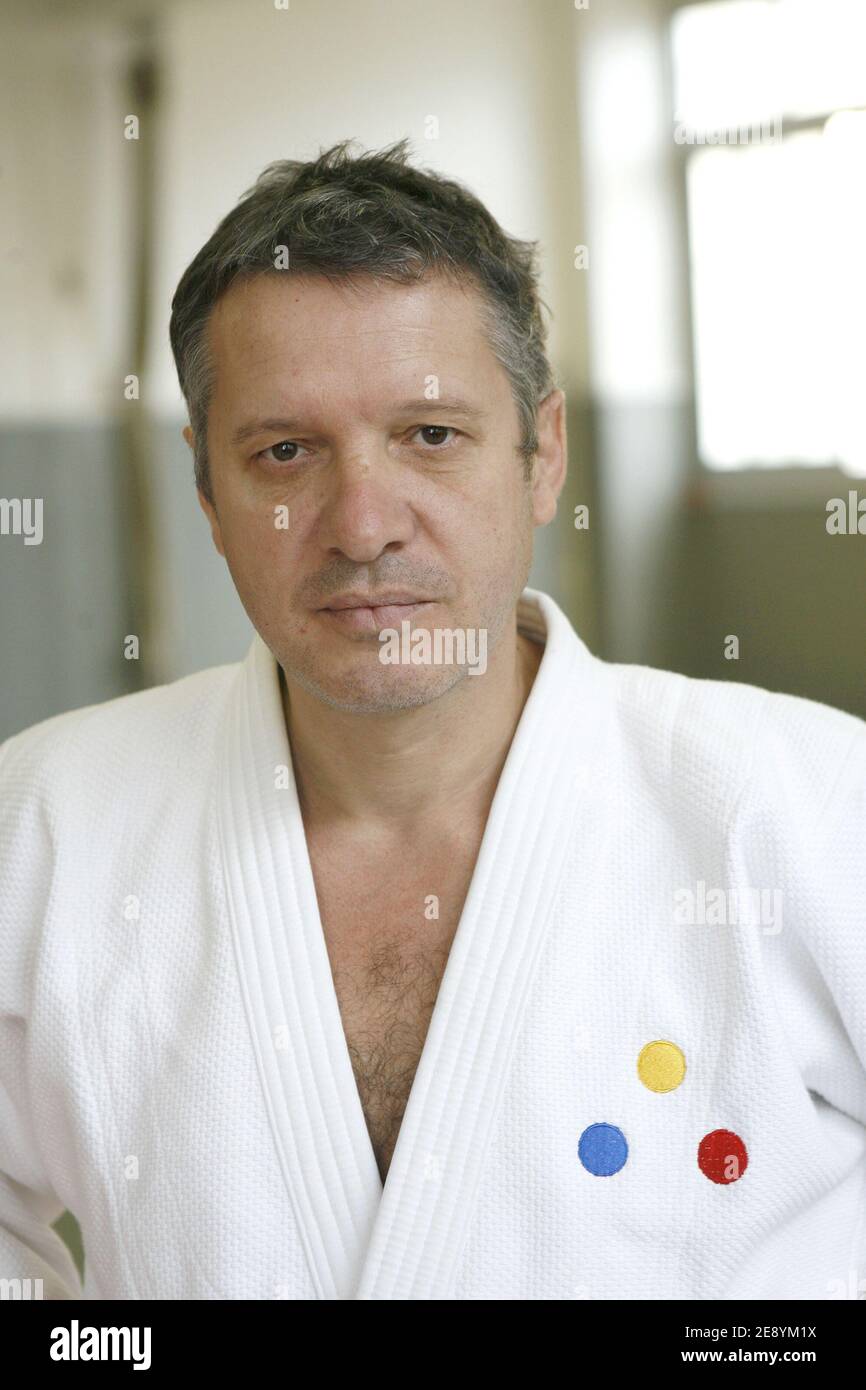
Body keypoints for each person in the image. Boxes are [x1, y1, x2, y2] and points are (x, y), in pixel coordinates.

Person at [1, 139, 864, 1302]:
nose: (363, 525)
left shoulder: (805, 809)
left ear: (541, 454)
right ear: (208, 489)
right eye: (285, 452)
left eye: (430, 436)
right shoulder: (47, 826)